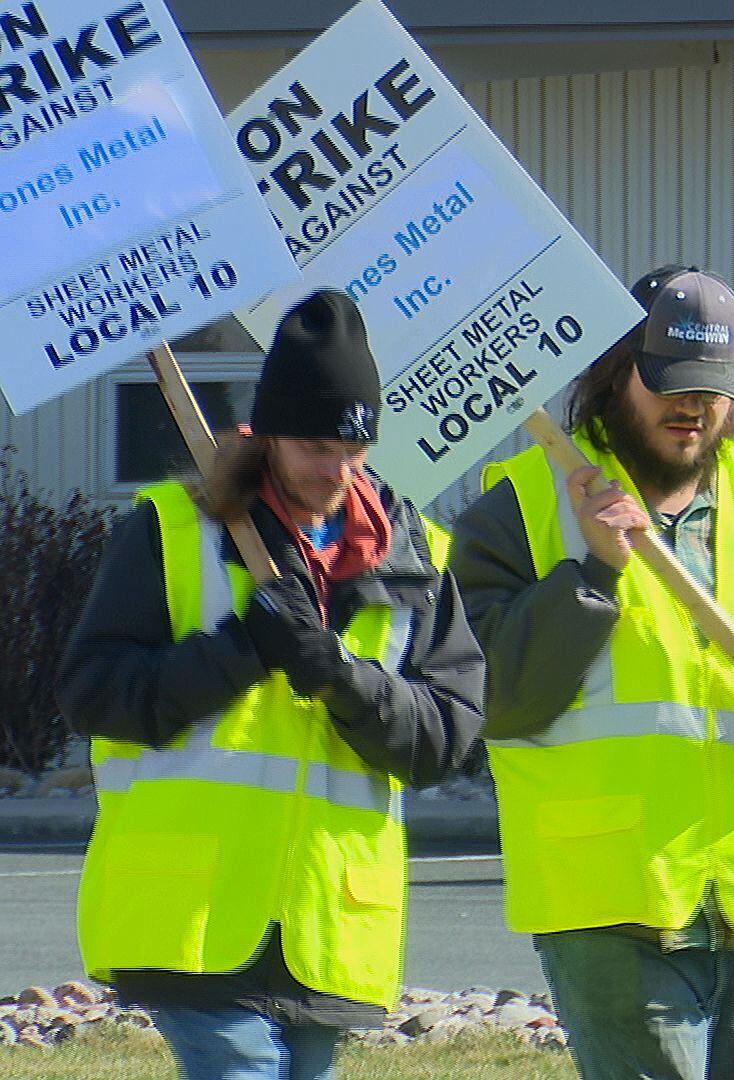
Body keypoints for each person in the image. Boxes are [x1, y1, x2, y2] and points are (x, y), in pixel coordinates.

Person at [451, 266, 734, 1080]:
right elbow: (494, 700)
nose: (693, 409)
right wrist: (591, 577)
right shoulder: (519, 507)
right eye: (667, 383)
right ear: (611, 371)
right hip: (609, 895)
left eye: (713, 388)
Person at [56, 290, 487, 1080]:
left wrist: (343, 680)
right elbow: (95, 694)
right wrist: (244, 645)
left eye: (354, 450)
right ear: (267, 433)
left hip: (329, 927)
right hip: (192, 915)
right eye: (316, 446)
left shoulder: (415, 555)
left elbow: (446, 740)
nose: (336, 470)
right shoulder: (174, 530)